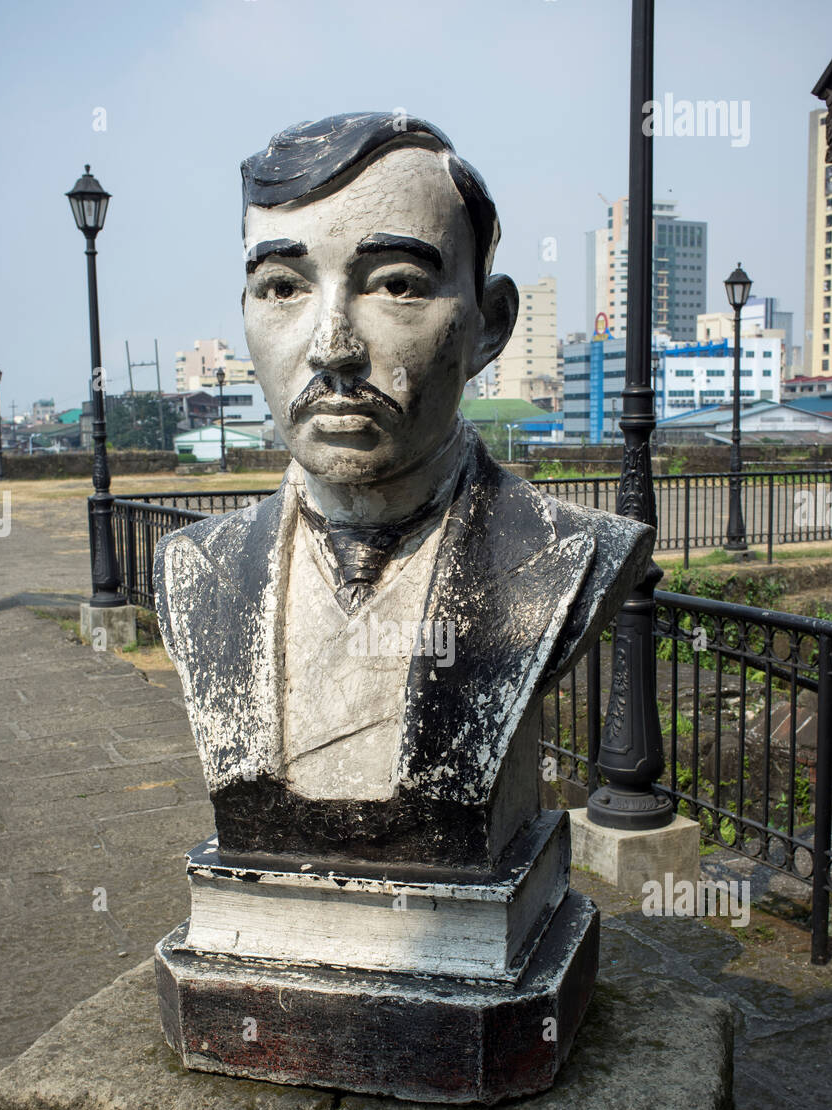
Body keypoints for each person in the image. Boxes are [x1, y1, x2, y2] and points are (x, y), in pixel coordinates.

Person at [155, 112, 653, 870]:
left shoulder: (569, 556)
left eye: (395, 284)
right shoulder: (194, 568)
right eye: (283, 287)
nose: (332, 347)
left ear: (487, 325)